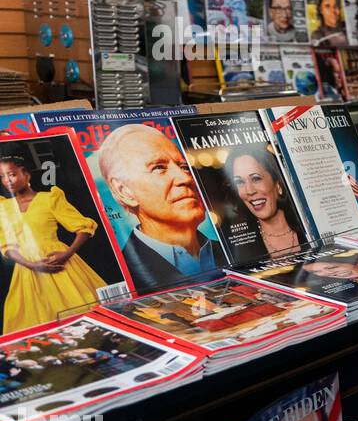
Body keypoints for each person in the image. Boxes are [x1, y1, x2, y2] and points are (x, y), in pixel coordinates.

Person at [99, 124, 217, 292]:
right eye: (158, 168)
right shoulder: (119, 274)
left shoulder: (230, 251)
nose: (185, 178)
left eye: (184, 167)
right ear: (124, 191)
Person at [0, 152, 109, 334]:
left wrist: (67, 254)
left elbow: (84, 227)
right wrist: (32, 264)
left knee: (81, 313)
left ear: (26, 174)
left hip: (60, 263)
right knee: (33, 322)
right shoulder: (3, 207)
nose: (7, 181)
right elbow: (6, 244)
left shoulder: (49, 198)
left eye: (11, 174)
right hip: (27, 270)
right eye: (2, 177)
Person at [222, 145, 306, 261]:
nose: (249, 191)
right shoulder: (235, 242)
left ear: (278, 185)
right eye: (240, 182)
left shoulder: (308, 225)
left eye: (256, 179)